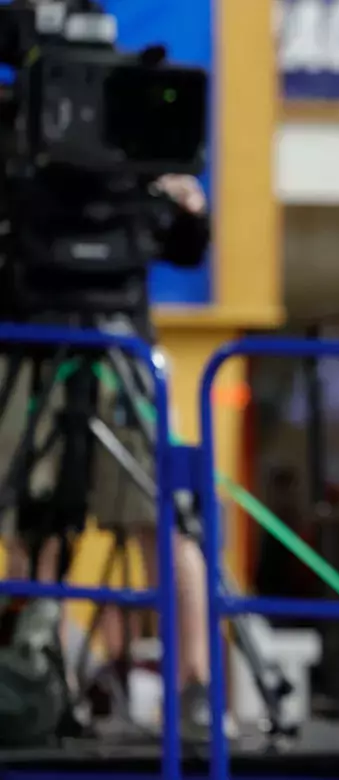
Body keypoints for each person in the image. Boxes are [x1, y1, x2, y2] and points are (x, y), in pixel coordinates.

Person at [0, 173, 217, 739]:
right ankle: (39, 682)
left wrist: (188, 207)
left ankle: (193, 686)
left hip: (126, 351)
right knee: (30, 529)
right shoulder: (25, 149)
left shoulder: (136, 159)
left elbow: (188, 248)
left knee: (166, 526)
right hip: (30, 346)